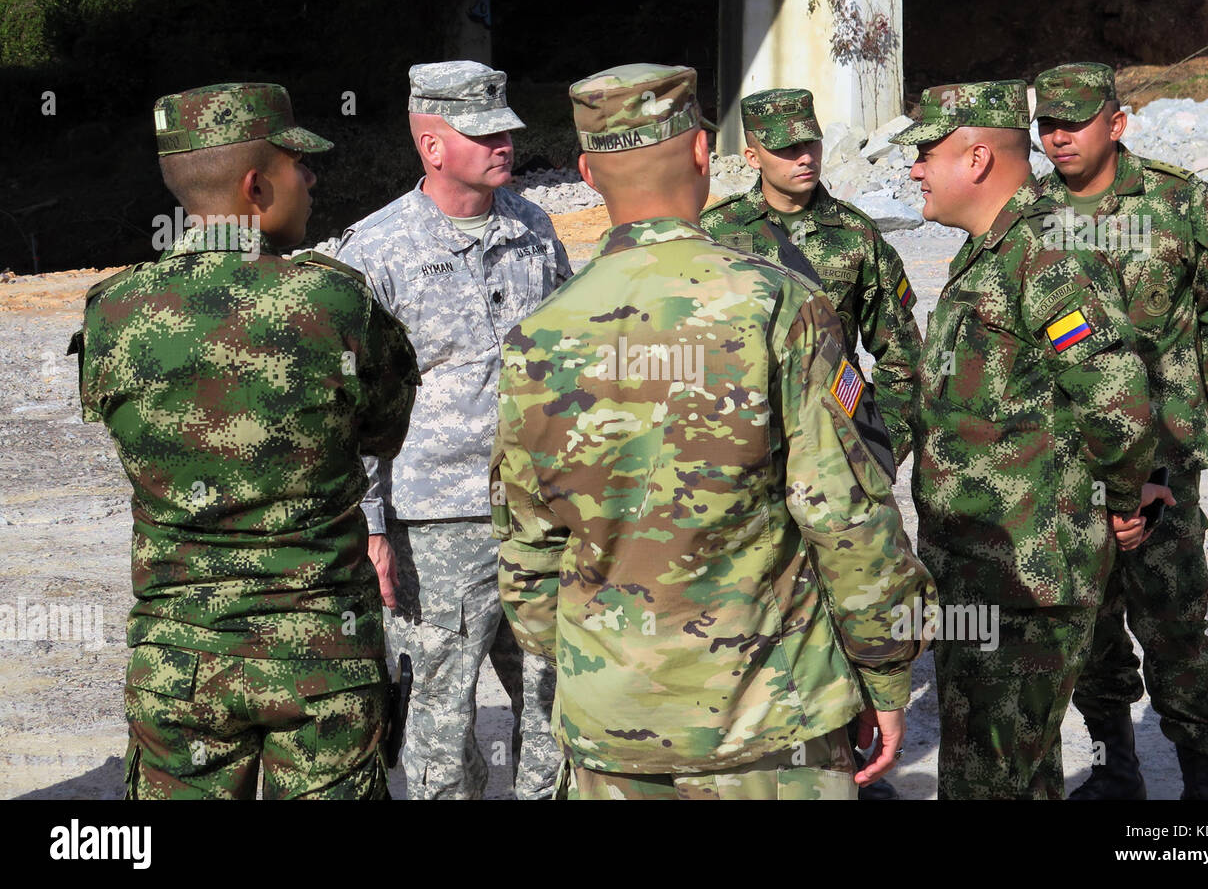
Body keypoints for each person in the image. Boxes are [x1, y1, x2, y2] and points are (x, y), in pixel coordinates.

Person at [492, 62, 936, 800]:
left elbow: (527, 551)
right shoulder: (776, 305)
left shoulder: (536, 338)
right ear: (703, 153)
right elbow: (846, 516)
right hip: (771, 726)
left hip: (614, 732)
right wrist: (886, 668)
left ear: (586, 174)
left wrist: (601, 668)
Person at [73, 81, 419, 798]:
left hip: (181, 661)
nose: (313, 179)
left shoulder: (116, 312)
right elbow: (386, 430)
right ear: (258, 186)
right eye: (300, 165)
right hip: (325, 661)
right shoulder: (337, 302)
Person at [889, 79, 1163, 799]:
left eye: (926, 152)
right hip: (986, 573)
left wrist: (1121, 498)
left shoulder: (1044, 255)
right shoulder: (993, 251)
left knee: (988, 783)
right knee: (1008, 777)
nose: (915, 168)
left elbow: (1120, 399)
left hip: (1027, 578)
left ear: (976, 158)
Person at [335, 61, 568, 800]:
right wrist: (369, 524)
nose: (504, 142)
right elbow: (351, 405)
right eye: (483, 131)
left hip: (536, 508)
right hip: (434, 522)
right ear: (433, 147)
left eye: (506, 128)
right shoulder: (373, 252)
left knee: (554, 695)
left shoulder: (533, 227)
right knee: (439, 712)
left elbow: (566, 357)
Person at [1033, 62, 1208, 800]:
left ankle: (1200, 781)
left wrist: (1176, 415)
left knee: (1175, 624)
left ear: (1117, 124)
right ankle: (1113, 769)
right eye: (1045, 125)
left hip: (1162, 463)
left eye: (1074, 121)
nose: (1058, 136)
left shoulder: (1184, 203)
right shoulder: (1027, 214)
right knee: (1090, 627)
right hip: (1069, 464)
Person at [700, 89, 922, 465]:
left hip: (831, 447)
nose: (804, 157)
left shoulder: (857, 234)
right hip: (739, 448)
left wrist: (881, 445)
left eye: (810, 143)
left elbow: (903, 355)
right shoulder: (715, 232)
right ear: (752, 157)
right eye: (787, 148)